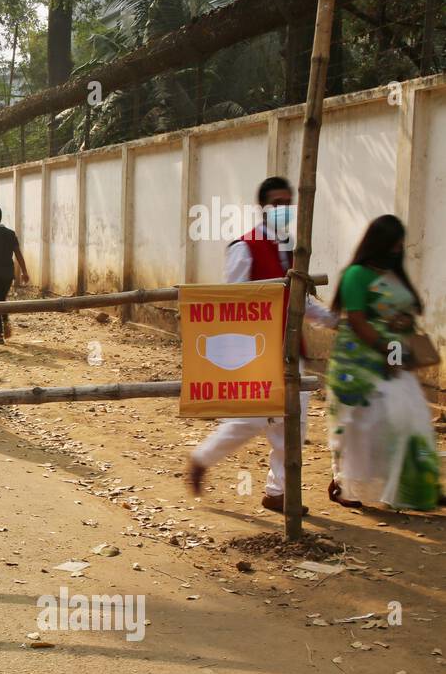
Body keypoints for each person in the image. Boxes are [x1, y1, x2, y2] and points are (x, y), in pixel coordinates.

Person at [187, 176, 335, 513]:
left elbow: (302, 302)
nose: (283, 210)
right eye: (277, 204)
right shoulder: (245, 246)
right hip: (259, 351)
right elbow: (234, 301)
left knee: (293, 422)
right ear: (264, 207)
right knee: (254, 420)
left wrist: (331, 320)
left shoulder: (292, 250)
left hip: (291, 347)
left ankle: (277, 491)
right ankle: (202, 458)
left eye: (288, 203)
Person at [327, 215, 440, 510]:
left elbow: (410, 307)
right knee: (361, 426)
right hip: (360, 361)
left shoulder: (393, 273)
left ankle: (418, 488)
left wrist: (403, 322)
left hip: (395, 357)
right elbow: (356, 319)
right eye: (393, 243)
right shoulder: (356, 274)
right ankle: (344, 485)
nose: (397, 248)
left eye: (400, 243)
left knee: (412, 419)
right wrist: (386, 348)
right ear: (378, 243)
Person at [0, 206, 30, 344]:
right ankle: (5, 323)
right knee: (2, 299)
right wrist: (24, 272)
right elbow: (18, 253)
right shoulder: (11, 233)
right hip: (8, 273)